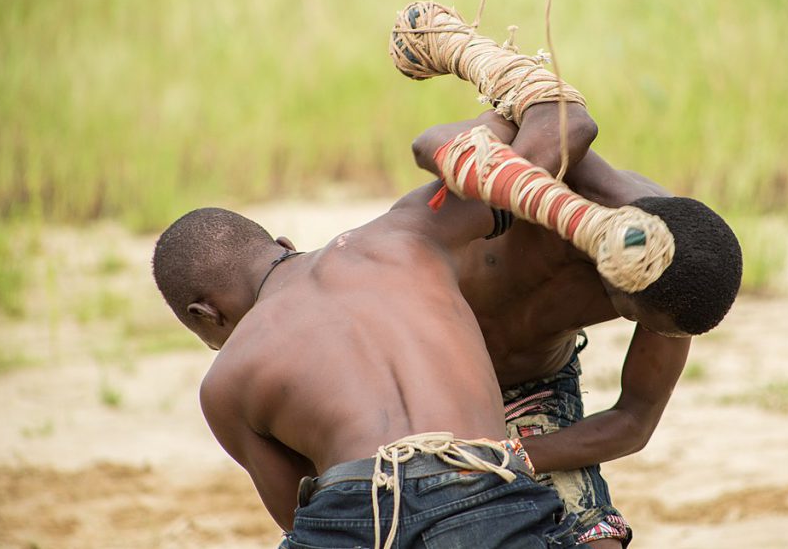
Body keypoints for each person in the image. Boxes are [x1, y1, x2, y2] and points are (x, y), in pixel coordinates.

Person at [150, 130, 582, 549]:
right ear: (284, 244)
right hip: (487, 496)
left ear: (205, 314)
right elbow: (553, 141)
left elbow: (298, 515)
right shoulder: (408, 229)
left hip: (362, 518)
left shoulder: (225, 381)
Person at [412, 107, 743, 548]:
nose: (631, 322)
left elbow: (634, 419)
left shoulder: (676, 282)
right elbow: (428, 144)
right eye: (633, 313)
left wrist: (510, 456)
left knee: (595, 542)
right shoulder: (560, 168)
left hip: (533, 389)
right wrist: (519, 167)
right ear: (630, 273)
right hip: (409, 367)